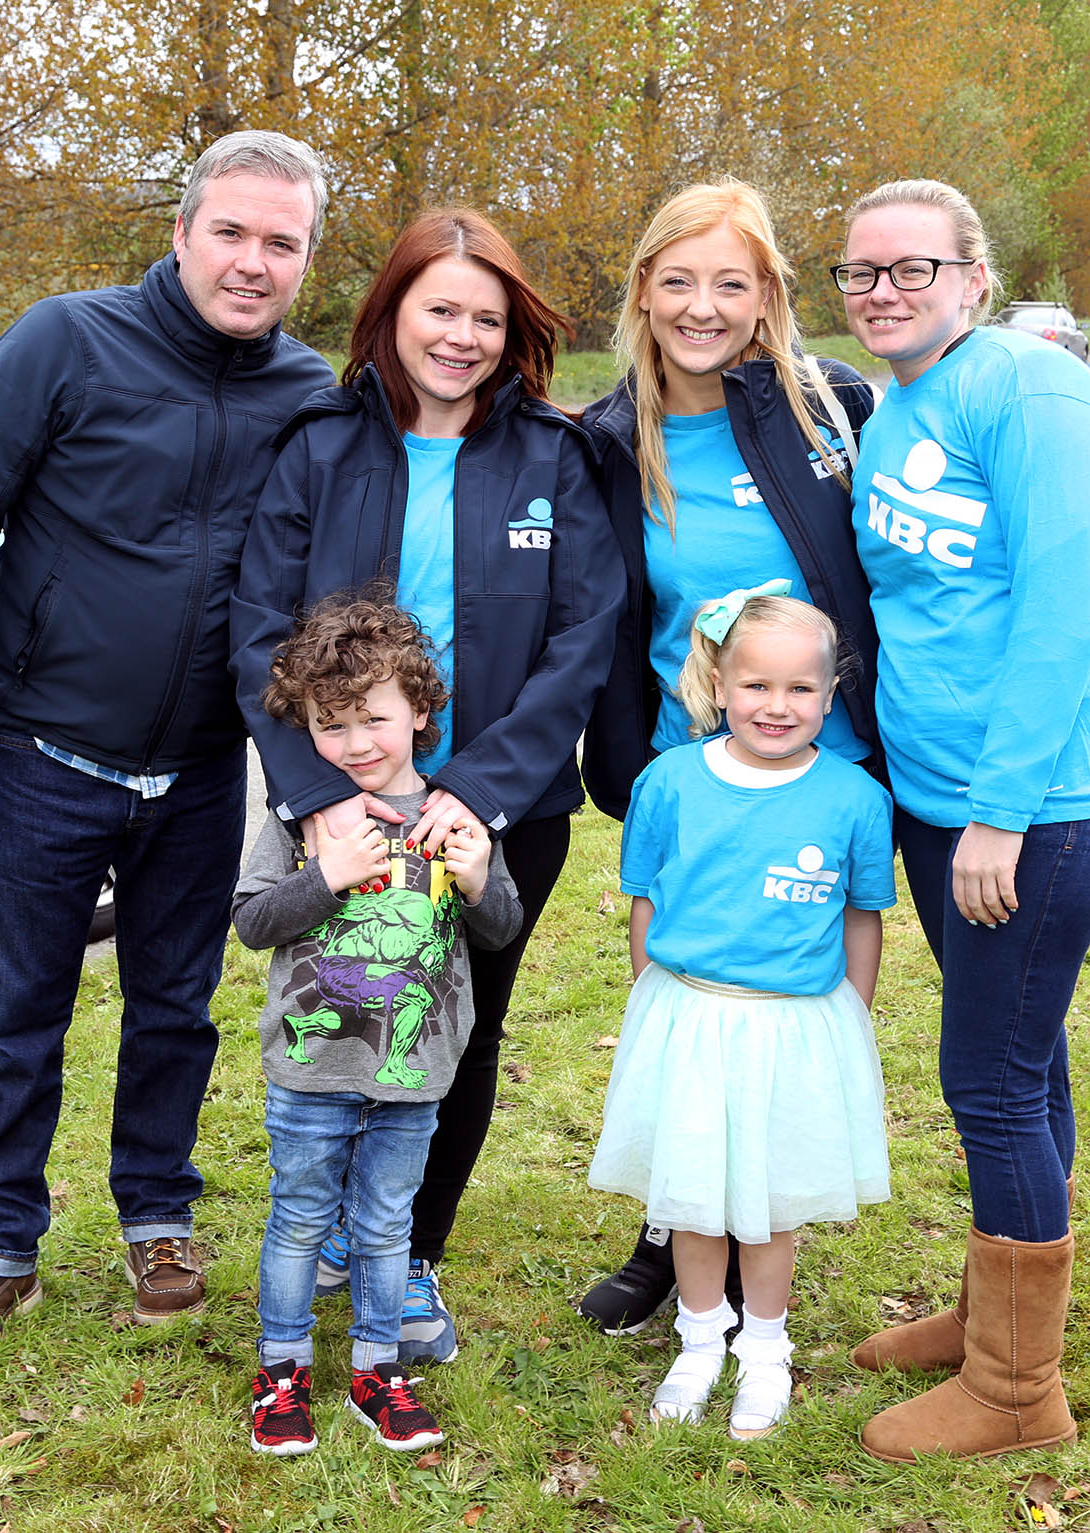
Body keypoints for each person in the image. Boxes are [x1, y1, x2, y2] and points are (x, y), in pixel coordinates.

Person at [0, 130, 334, 1373]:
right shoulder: (64, 341)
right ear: (184, 229)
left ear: (307, 260)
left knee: (175, 1009)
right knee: (20, 1009)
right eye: (232, 233)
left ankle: (156, 1216)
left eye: (281, 244)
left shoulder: (306, 394)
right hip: (43, 751)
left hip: (202, 768)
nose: (252, 263)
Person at [231, 208, 622, 1365]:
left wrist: (479, 794)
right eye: (439, 310)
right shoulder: (317, 445)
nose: (461, 336)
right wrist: (315, 794)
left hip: (499, 813)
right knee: (340, 1008)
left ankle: (410, 1258)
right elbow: (258, 624)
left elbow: (583, 638)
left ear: (516, 334)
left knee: (458, 1027)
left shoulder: (557, 456)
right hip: (340, 801)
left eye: (487, 319)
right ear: (392, 311)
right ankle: (331, 1239)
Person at [833, 179, 1090, 1461]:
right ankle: (991, 1310)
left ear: (973, 273)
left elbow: (1066, 608)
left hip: (1031, 809)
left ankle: (1019, 1392)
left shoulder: (1031, 387)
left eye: (913, 268)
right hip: (937, 801)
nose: (885, 292)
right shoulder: (907, 399)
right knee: (1030, 1060)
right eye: (861, 273)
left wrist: (1000, 814)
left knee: (990, 1079)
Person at [575, 179, 883, 1336]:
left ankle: (770, 1238)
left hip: (826, 768)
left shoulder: (832, 412)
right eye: (679, 280)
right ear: (645, 290)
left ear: (768, 298)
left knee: (792, 1005)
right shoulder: (610, 440)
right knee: (687, 1004)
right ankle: (669, 1233)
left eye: (731, 283)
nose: (703, 307)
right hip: (691, 770)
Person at [588, 588, 896, 1439]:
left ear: (829, 697)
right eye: (756, 685)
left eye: (801, 689)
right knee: (690, 1197)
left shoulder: (853, 799)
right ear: (718, 684)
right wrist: (655, 997)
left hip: (792, 1025)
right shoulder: (670, 782)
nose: (777, 705)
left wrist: (849, 1021)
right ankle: (698, 1339)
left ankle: (764, 1347)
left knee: (768, 1202)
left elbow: (858, 914)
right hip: (691, 1014)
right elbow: (645, 900)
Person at [232, 590, 523, 1455]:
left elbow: (500, 927)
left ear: (421, 711)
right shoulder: (300, 819)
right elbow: (251, 923)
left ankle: (374, 1368)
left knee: (386, 1221)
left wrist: (474, 878)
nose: (355, 743)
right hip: (310, 1066)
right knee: (296, 1216)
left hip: (414, 1070)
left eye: (373, 719)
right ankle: (279, 1371)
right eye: (331, 726)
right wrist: (325, 874)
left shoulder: (451, 816)